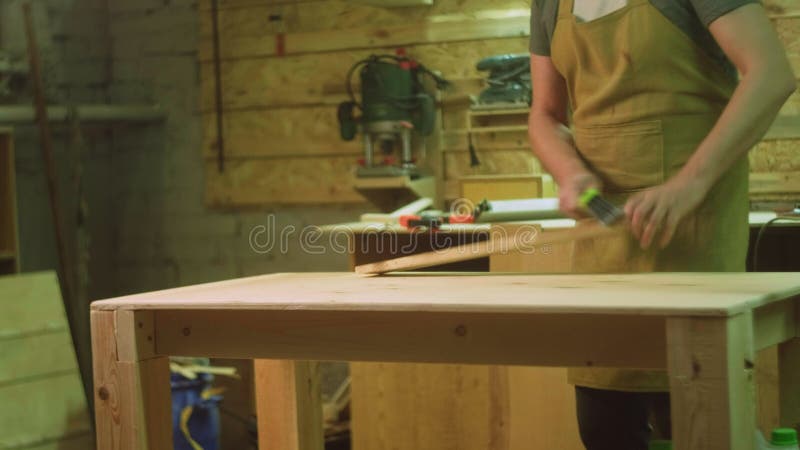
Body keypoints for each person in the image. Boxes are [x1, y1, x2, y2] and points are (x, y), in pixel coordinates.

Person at [527, 0, 796, 449]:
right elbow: (545, 115)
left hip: (692, 226)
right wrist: (568, 171)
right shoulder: (549, 4)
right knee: (605, 425)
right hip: (605, 240)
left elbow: (770, 74)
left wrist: (691, 183)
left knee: (697, 419)